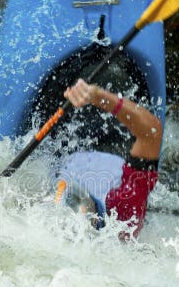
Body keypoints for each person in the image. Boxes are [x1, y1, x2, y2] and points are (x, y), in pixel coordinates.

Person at [56, 77, 162, 238]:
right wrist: (98, 97)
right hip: (118, 143)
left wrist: (96, 96)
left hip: (72, 142)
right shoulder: (123, 218)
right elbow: (151, 133)